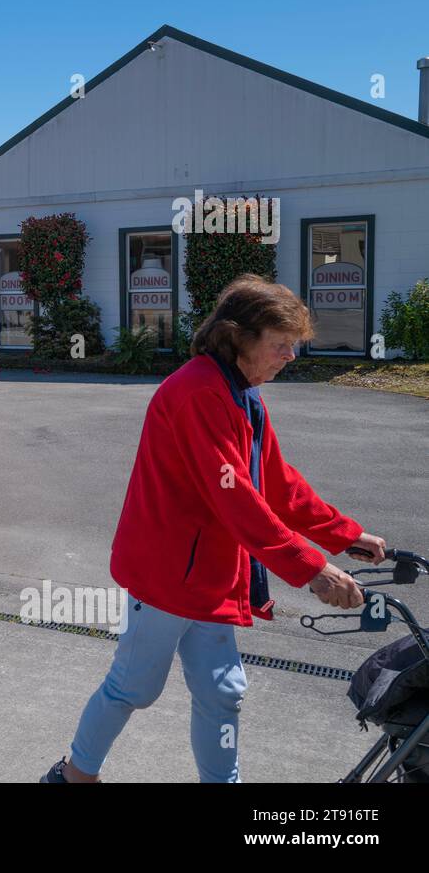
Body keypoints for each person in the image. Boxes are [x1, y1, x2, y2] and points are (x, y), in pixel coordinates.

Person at [42, 275, 385, 783]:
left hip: (210, 573)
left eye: (294, 345)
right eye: (281, 345)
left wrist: (343, 534)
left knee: (223, 690)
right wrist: (313, 568)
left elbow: (275, 482)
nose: (290, 356)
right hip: (167, 574)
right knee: (133, 686)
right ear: (238, 338)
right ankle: (73, 776)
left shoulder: (241, 391)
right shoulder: (200, 391)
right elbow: (236, 499)